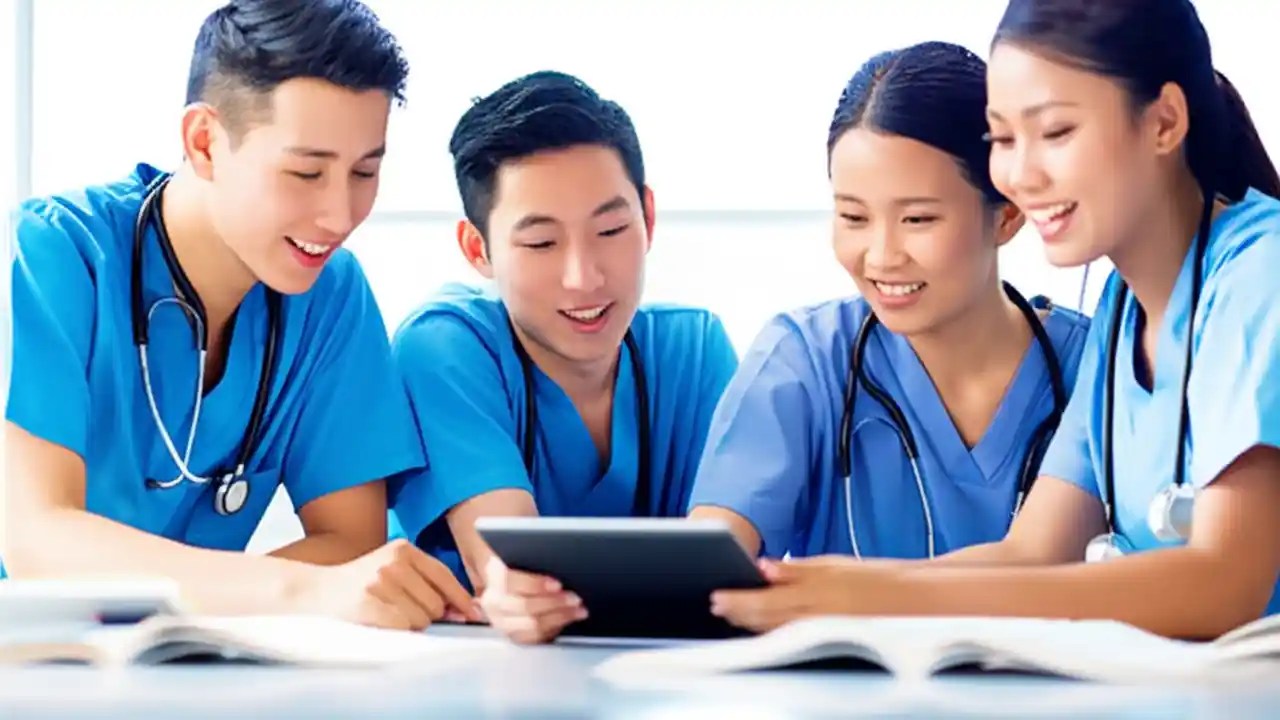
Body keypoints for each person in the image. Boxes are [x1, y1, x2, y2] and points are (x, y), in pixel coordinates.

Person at [709, 0, 1280, 641]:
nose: (1019, 177)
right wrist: (830, 594)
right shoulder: (1125, 310)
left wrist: (876, 595)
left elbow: (1225, 583)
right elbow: (1032, 552)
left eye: (1056, 133)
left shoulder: (1260, 273)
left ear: (1164, 122)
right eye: (1004, 138)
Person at [4, 0, 480, 630]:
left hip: (182, 661)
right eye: (305, 172)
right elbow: (37, 542)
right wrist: (292, 592)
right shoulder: (54, 254)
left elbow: (350, 543)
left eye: (365, 171)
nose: (339, 216)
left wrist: (225, 606)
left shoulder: (330, 295)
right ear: (204, 142)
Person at [683, 40, 1091, 563]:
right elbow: (711, 562)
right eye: (853, 217)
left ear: (1007, 214)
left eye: (917, 219)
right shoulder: (804, 359)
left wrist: (845, 592)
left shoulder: (1098, 367)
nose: (881, 257)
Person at [387, 70, 739, 643]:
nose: (584, 278)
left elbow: (732, 565)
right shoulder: (445, 346)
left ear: (648, 218)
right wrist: (514, 589)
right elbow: (508, 566)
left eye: (611, 229)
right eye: (541, 243)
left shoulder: (693, 349)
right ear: (478, 249)